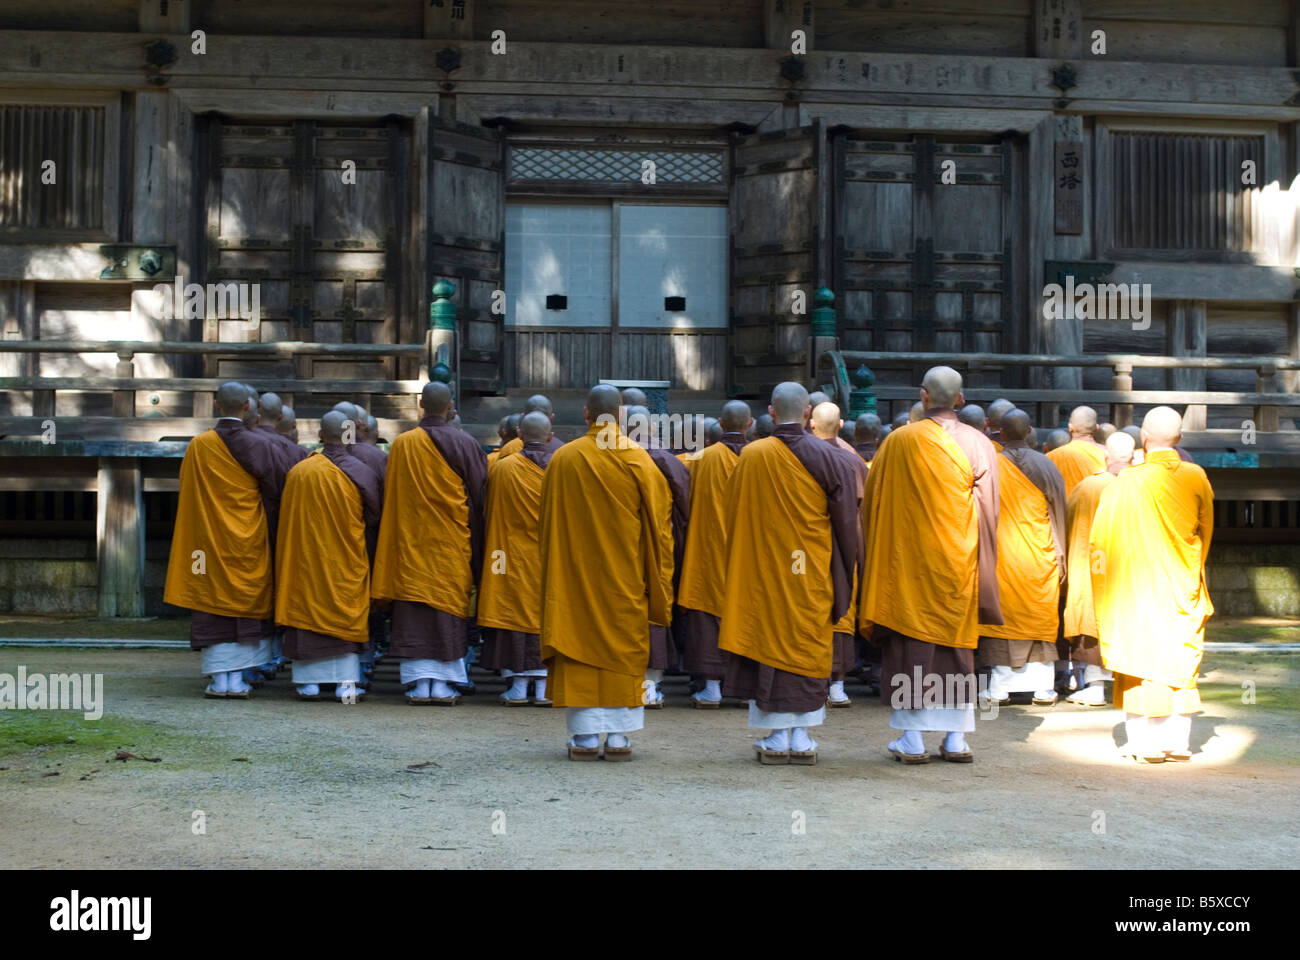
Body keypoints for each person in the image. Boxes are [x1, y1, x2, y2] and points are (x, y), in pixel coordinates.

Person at [859, 366, 1001, 764]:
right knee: (955, 648)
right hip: (958, 561)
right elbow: (990, 512)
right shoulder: (980, 443)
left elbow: (873, 506)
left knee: (910, 647)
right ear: (960, 399)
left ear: (923, 396)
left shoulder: (898, 441)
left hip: (907, 563)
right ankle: (956, 738)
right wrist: (983, 562)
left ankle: (912, 740)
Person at [719, 383, 859, 765]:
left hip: (766, 573)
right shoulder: (832, 456)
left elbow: (733, 514)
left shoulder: (751, 455)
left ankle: (778, 736)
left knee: (771, 643)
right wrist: (846, 571)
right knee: (805, 643)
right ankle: (800, 737)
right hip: (810, 572)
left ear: (771, 411)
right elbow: (848, 524)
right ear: (809, 413)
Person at [539, 384, 674, 760]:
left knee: (578, 641)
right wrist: (655, 576)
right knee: (622, 647)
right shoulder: (638, 459)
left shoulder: (564, 458)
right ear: (620, 416)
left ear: (586, 414)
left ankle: (583, 739)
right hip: (624, 579)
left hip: (574, 580)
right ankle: (618, 738)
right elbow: (660, 529)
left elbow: (546, 526)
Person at [1091, 407, 1214, 763]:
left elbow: (1102, 539)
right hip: (1181, 585)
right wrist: (1191, 567)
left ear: (1144, 436)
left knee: (1142, 656)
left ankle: (1145, 741)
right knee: (1177, 657)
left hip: (1137, 589)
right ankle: (1177, 740)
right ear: (1179, 438)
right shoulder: (1195, 476)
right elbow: (1205, 532)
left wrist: (1104, 584)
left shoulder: (1128, 480)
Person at [371, 382, 487, 704]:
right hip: (450, 544)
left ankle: (419, 683)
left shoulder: (402, 445)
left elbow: (390, 498)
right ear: (451, 406)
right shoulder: (465, 442)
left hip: (411, 543)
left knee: (415, 613)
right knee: (448, 611)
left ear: (421, 404)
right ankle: (445, 684)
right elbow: (479, 497)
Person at [164, 382, 281, 699]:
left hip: (205, 544)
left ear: (217, 406)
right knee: (244, 599)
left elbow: (190, 493)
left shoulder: (200, 445)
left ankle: (219, 680)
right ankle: (239, 678)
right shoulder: (259, 445)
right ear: (248, 407)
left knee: (210, 598)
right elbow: (276, 490)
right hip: (248, 540)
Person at [275, 411, 381, 702]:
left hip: (307, 561)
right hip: (344, 561)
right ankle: (345, 685)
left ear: (321, 436)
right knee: (344, 612)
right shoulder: (362, 472)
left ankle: (308, 684)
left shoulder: (299, 471)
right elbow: (373, 518)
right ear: (350, 435)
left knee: (307, 610)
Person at [975, 410, 1067, 707]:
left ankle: (999, 687)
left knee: (1006, 617)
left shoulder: (991, 466)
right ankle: (1043, 687)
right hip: (1040, 555)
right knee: (1037, 615)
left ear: (999, 433)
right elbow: (1059, 515)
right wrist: (1061, 555)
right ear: (1029, 431)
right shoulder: (1047, 465)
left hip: (1001, 557)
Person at [478, 411, 556, 706]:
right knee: (547, 613)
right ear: (550, 437)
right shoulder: (561, 465)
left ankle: (518, 686)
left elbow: (491, 508)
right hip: (550, 555)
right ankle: (545, 686)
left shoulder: (502, 467)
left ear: (519, 435)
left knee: (513, 612)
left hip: (507, 555)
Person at [676, 400, 751, 707]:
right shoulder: (762, 457)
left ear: (721, 423)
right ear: (749, 425)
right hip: (749, 553)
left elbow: (683, 501)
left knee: (708, 619)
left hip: (708, 550)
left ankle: (711, 687)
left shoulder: (700, 459)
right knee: (748, 616)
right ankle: (746, 689)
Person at [625, 405, 692, 708]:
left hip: (617, 550)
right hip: (661, 546)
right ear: (654, 429)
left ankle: (622, 679)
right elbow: (685, 508)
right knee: (655, 606)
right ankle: (650, 682)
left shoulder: (609, 458)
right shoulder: (669, 461)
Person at [1063, 430, 1135, 706]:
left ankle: (1094, 685)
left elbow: (1069, 523)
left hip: (1093, 566)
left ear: (1105, 455)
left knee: (1092, 620)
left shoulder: (1089, 487)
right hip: (1132, 569)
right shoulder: (1143, 486)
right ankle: (1131, 682)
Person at [811, 402, 868, 706]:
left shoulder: (799, 457)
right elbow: (863, 508)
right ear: (841, 425)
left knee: (811, 609)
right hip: (846, 544)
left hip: (807, 547)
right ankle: (838, 685)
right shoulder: (853, 461)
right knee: (842, 609)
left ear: (811, 424)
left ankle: (813, 678)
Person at [1046, 406, 1107, 494]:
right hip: (1097, 506)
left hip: (1063, 507)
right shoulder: (1107, 454)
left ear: (1070, 427)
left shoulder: (1052, 456)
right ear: (1097, 428)